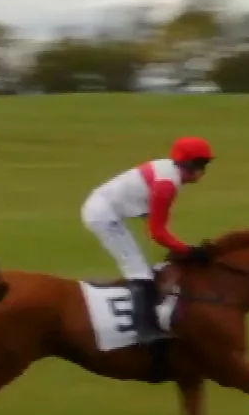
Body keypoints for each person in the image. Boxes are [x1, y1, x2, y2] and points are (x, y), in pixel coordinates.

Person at [79, 136, 214, 343]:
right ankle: (145, 330)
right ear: (189, 164)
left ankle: (147, 320)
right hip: (103, 215)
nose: (203, 171)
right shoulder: (167, 186)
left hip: (105, 208)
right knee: (138, 269)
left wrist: (180, 247)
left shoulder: (169, 172)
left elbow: (156, 224)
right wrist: (187, 251)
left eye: (204, 164)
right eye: (201, 164)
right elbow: (157, 232)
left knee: (140, 265)